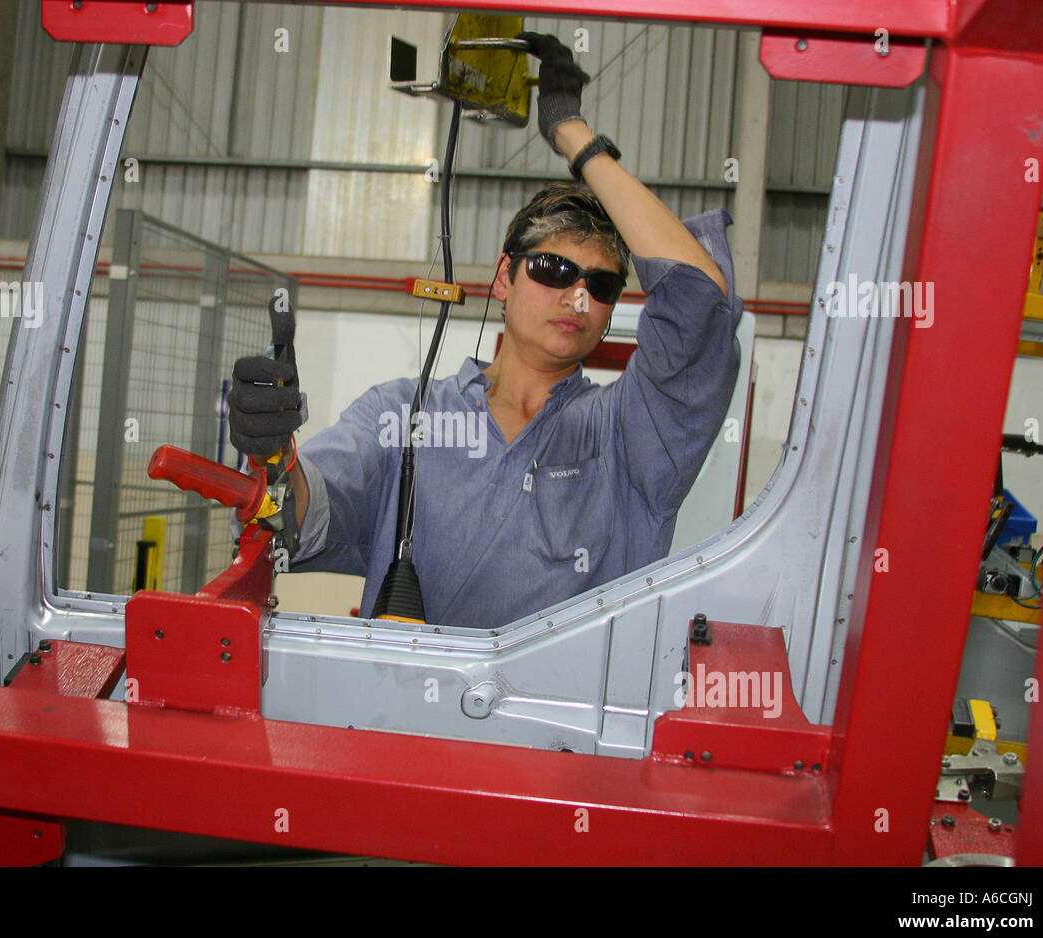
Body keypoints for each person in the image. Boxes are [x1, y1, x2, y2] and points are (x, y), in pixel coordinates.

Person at [229, 34, 743, 628]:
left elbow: (700, 296)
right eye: (554, 269)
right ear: (504, 277)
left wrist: (572, 133)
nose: (577, 294)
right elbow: (302, 512)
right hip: (400, 719)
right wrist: (272, 452)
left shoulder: (634, 436)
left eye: (601, 286)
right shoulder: (404, 416)